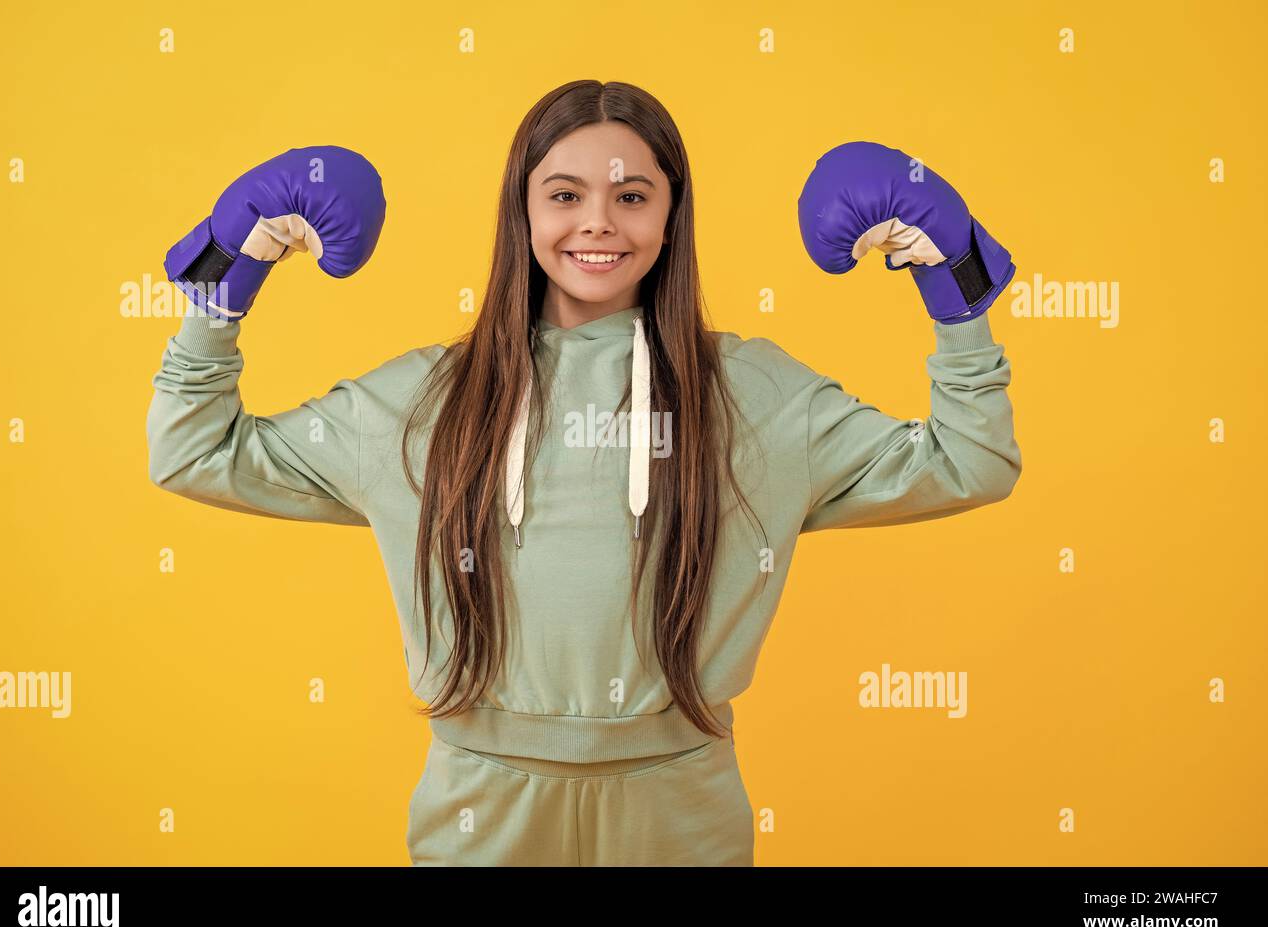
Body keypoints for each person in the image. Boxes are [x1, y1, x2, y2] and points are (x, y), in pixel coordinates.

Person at [146, 80, 1021, 866]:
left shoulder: (754, 395)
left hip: (679, 805)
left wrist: (957, 283)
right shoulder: (423, 401)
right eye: (565, 195)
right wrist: (229, 270)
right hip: (481, 805)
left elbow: (969, 463)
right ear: (521, 214)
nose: (598, 222)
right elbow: (195, 451)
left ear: (671, 218)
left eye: (632, 196)